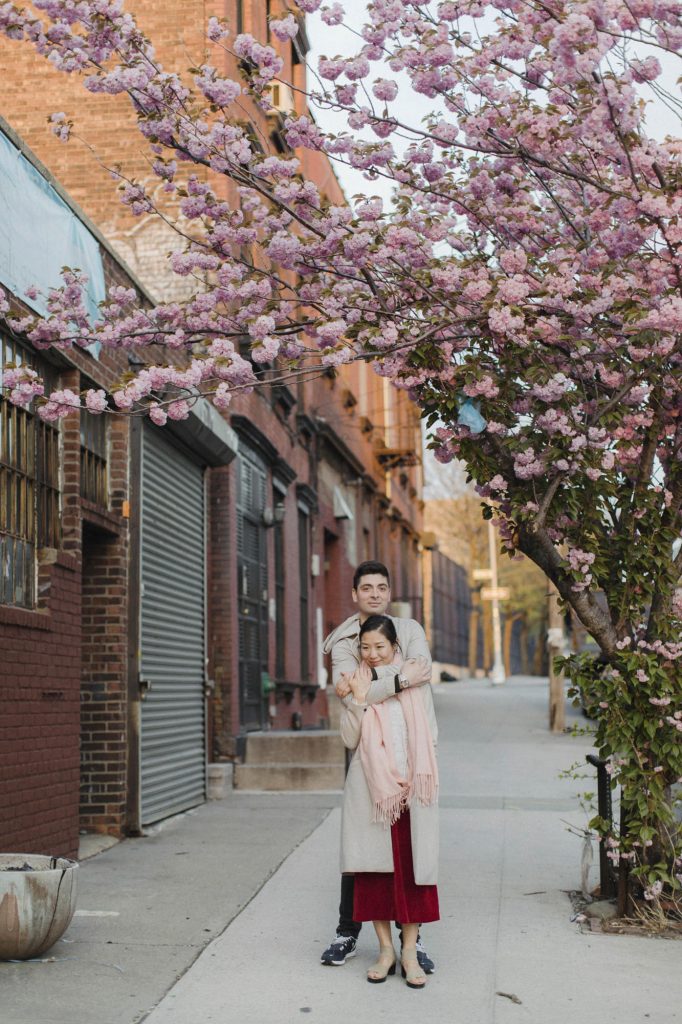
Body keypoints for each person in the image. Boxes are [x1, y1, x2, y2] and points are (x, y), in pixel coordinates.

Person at [319, 561, 436, 974]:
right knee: (363, 854)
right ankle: (347, 931)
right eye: (365, 587)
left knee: (408, 854)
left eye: (381, 587)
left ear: (388, 591)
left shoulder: (409, 630)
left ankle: (412, 943)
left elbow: (419, 673)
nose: (373, 593)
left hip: (410, 755)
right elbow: (355, 696)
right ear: (354, 594)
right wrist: (398, 679)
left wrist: (377, 685)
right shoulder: (344, 639)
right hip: (369, 757)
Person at [339, 614, 439, 988]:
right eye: (365, 648)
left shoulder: (414, 682)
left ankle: (410, 952)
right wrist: (358, 702)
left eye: (380, 647)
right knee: (374, 874)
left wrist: (418, 777)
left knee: (414, 874)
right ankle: (385, 951)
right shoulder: (355, 684)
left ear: (395, 647)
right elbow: (350, 739)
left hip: (413, 788)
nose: (373, 654)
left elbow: (430, 734)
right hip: (372, 791)